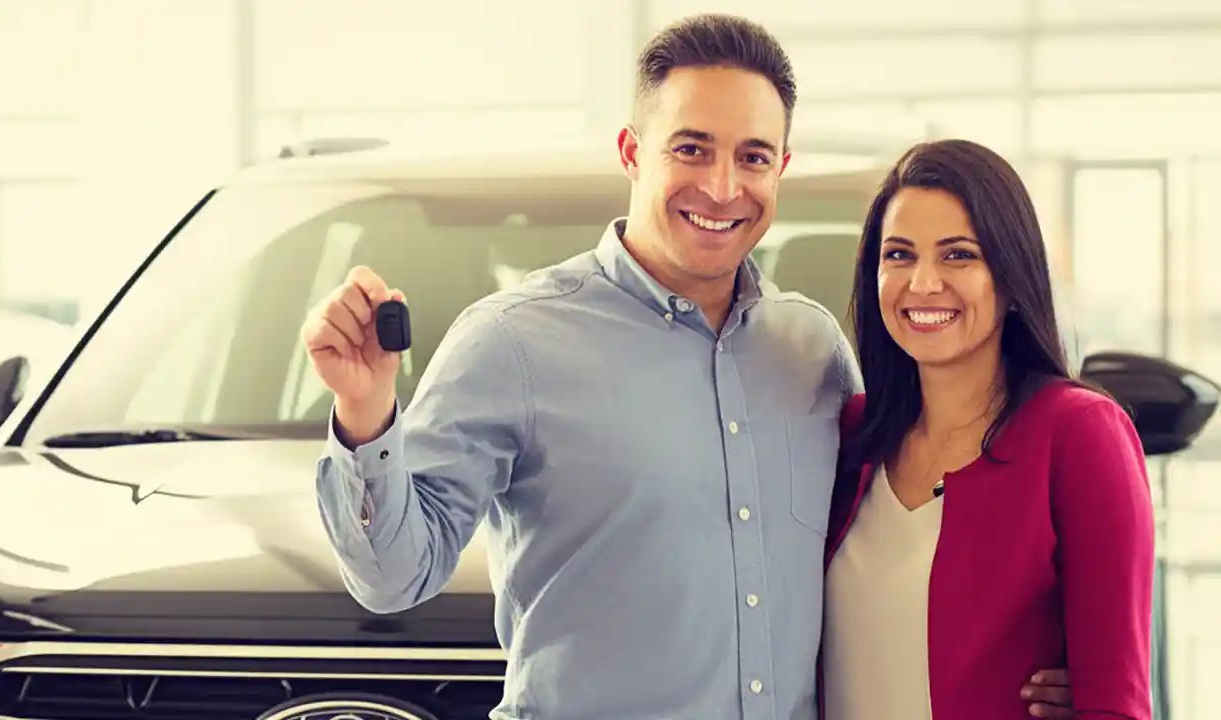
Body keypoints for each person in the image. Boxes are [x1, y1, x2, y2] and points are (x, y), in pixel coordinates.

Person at [302, 13, 1074, 720]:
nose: (721, 187)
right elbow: (392, 579)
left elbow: (894, 561)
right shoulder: (512, 342)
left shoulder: (815, 354)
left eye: (753, 157)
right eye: (691, 148)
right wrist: (366, 412)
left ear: (780, 169)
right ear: (633, 152)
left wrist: (1037, 665)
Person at [822, 139, 1155, 720]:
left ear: (1011, 275)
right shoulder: (849, 435)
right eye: (898, 255)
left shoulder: (1078, 435)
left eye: (958, 255)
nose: (922, 283)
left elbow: (1116, 702)